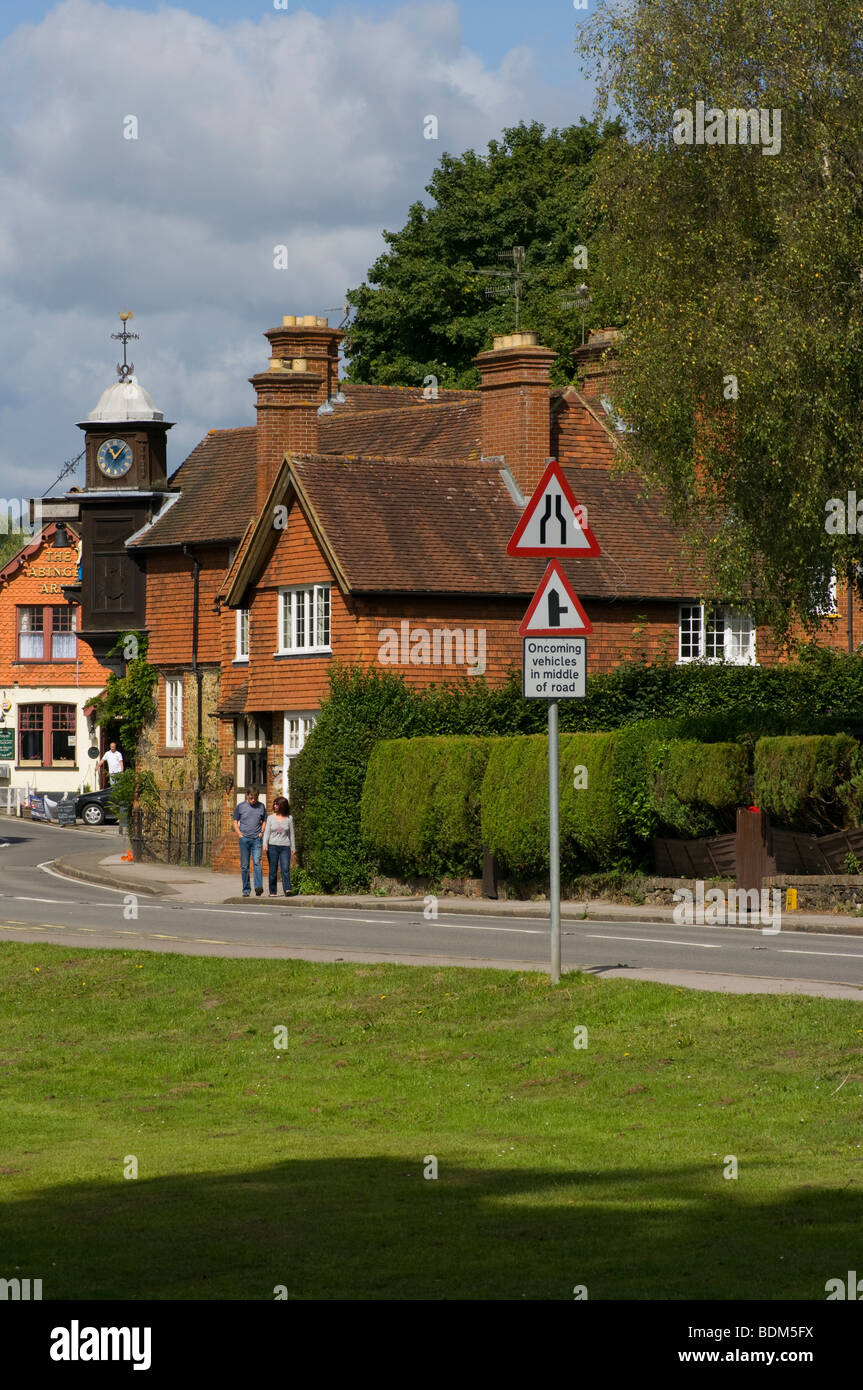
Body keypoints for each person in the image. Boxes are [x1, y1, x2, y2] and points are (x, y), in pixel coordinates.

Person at [232, 786, 266, 897]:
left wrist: (261, 832)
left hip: (256, 839)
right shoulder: (240, 807)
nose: (253, 801)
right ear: (247, 796)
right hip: (244, 839)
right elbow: (235, 822)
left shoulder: (261, 806)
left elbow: (264, 821)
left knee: (257, 862)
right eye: (251, 798)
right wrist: (240, 835)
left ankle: (258, 887)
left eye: (255, 798)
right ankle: (246, 890)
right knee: (245, 865)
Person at [263, 796, 296, 897]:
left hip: (285, 847)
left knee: (285, 868)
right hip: (272, 846)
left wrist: (293, 847)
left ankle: (287, 889)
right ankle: (273, 891)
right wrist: (265, 844)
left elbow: (292, 834)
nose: (275, 806)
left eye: (277, 804)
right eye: (274, 804)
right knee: (273, 870)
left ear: (282, 806)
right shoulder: (270, 818)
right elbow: (267, 833)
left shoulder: (289, 818)